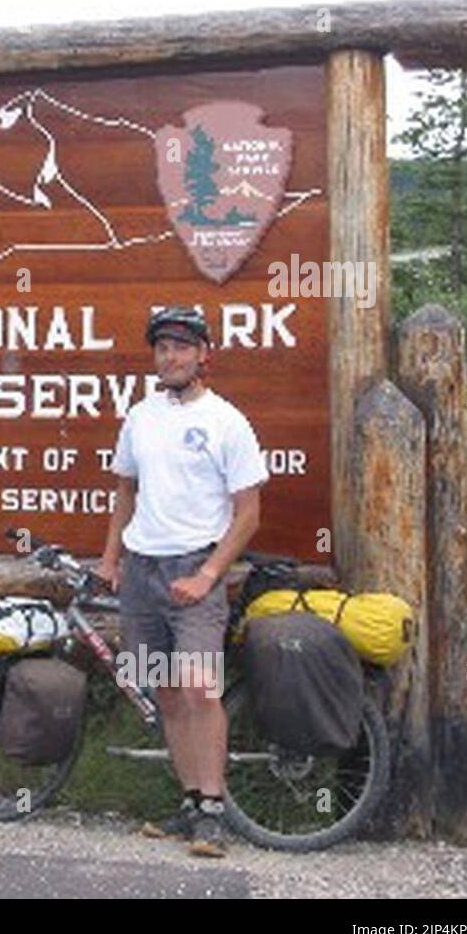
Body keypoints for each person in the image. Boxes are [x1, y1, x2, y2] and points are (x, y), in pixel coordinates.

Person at [95, 306, 268, 857]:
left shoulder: (227, 421)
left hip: (196, 571)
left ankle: (214, 810)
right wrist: (110, 559)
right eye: (162, 346)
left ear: (202, 355)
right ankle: (190, 802)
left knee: (198, 687)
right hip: (142, 572)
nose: (169, 355)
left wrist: (209, 574)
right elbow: (126, 491)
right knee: (163, 689)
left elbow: (248, 514)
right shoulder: (140, 417)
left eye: (181, 346)